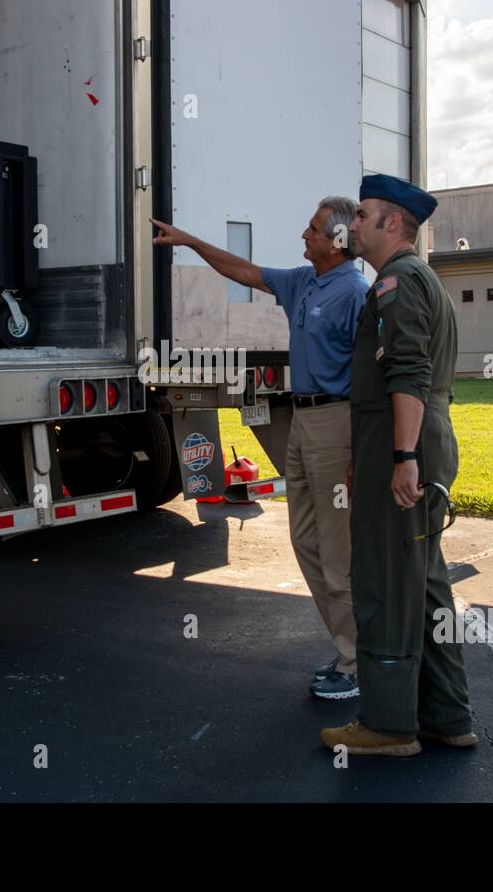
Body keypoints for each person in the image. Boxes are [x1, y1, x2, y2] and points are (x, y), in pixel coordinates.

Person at [151, 199, 369, 699]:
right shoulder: (304, 281)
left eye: (313, 229)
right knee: (306, 541)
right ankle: (349, 648)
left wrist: (359, 452)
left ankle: (360, 665)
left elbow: (371, 379)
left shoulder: (356, 294)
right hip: (304, 419)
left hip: (337, 423)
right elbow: (244, 271)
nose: (303, 234)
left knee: (338, 552)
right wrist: (191, 242)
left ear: (337, 241)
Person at [320, 174, 478, 756]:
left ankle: (387, 725)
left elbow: (408, 370)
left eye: (362, 215)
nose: (353, 224)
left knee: (385, 580)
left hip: (403, 442)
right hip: (410, 440)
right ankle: (444, 715)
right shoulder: (416, 277)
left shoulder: (397, 281)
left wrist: (402, 457)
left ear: (391, 223)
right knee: (424, 583)